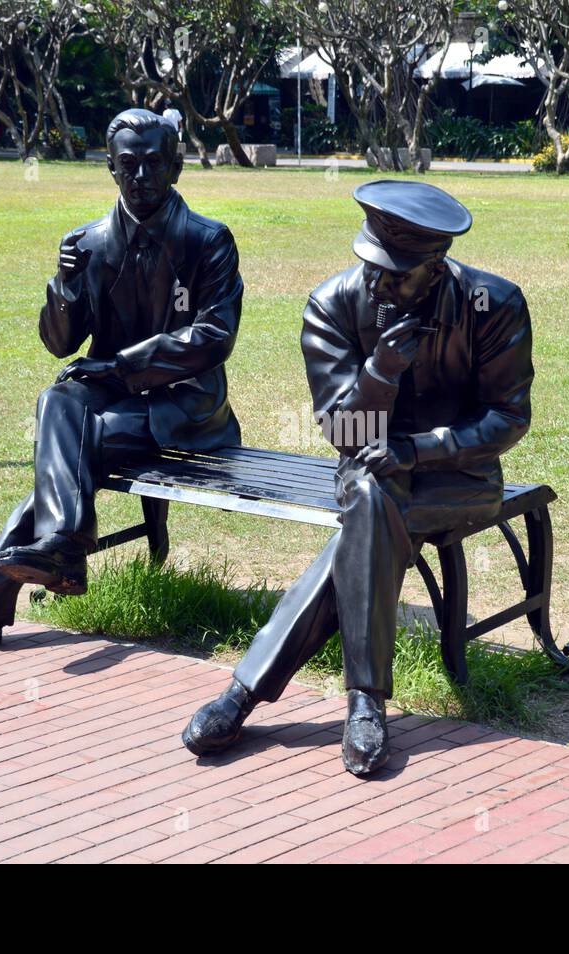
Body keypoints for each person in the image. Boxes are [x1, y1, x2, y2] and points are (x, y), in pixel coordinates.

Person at [182, 180, 534, 776]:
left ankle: (244, 695)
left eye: (396, 274)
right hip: (366, 472)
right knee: (370, 497)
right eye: (370, 263)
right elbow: (346, 436)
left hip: (460, 479)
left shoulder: (493, 304)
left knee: (368, 517)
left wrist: (419, 451)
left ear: (436, 266)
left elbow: (508, 416)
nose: (378, 281)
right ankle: (364, 701)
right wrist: (381, 371)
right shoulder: (334, 305)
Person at [0, 108, 244, 653]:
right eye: (128, 164)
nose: (141, 176)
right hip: (108, 403)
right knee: (58, 398)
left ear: (176, 168)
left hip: (184, 409)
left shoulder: (209, 241)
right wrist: (63, 284)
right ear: (109, 167)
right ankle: (58, 546)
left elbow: (214, 337)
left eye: (155, 164)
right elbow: (61, 344)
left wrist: (118, 367)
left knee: (68, 453)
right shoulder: (88, 243)